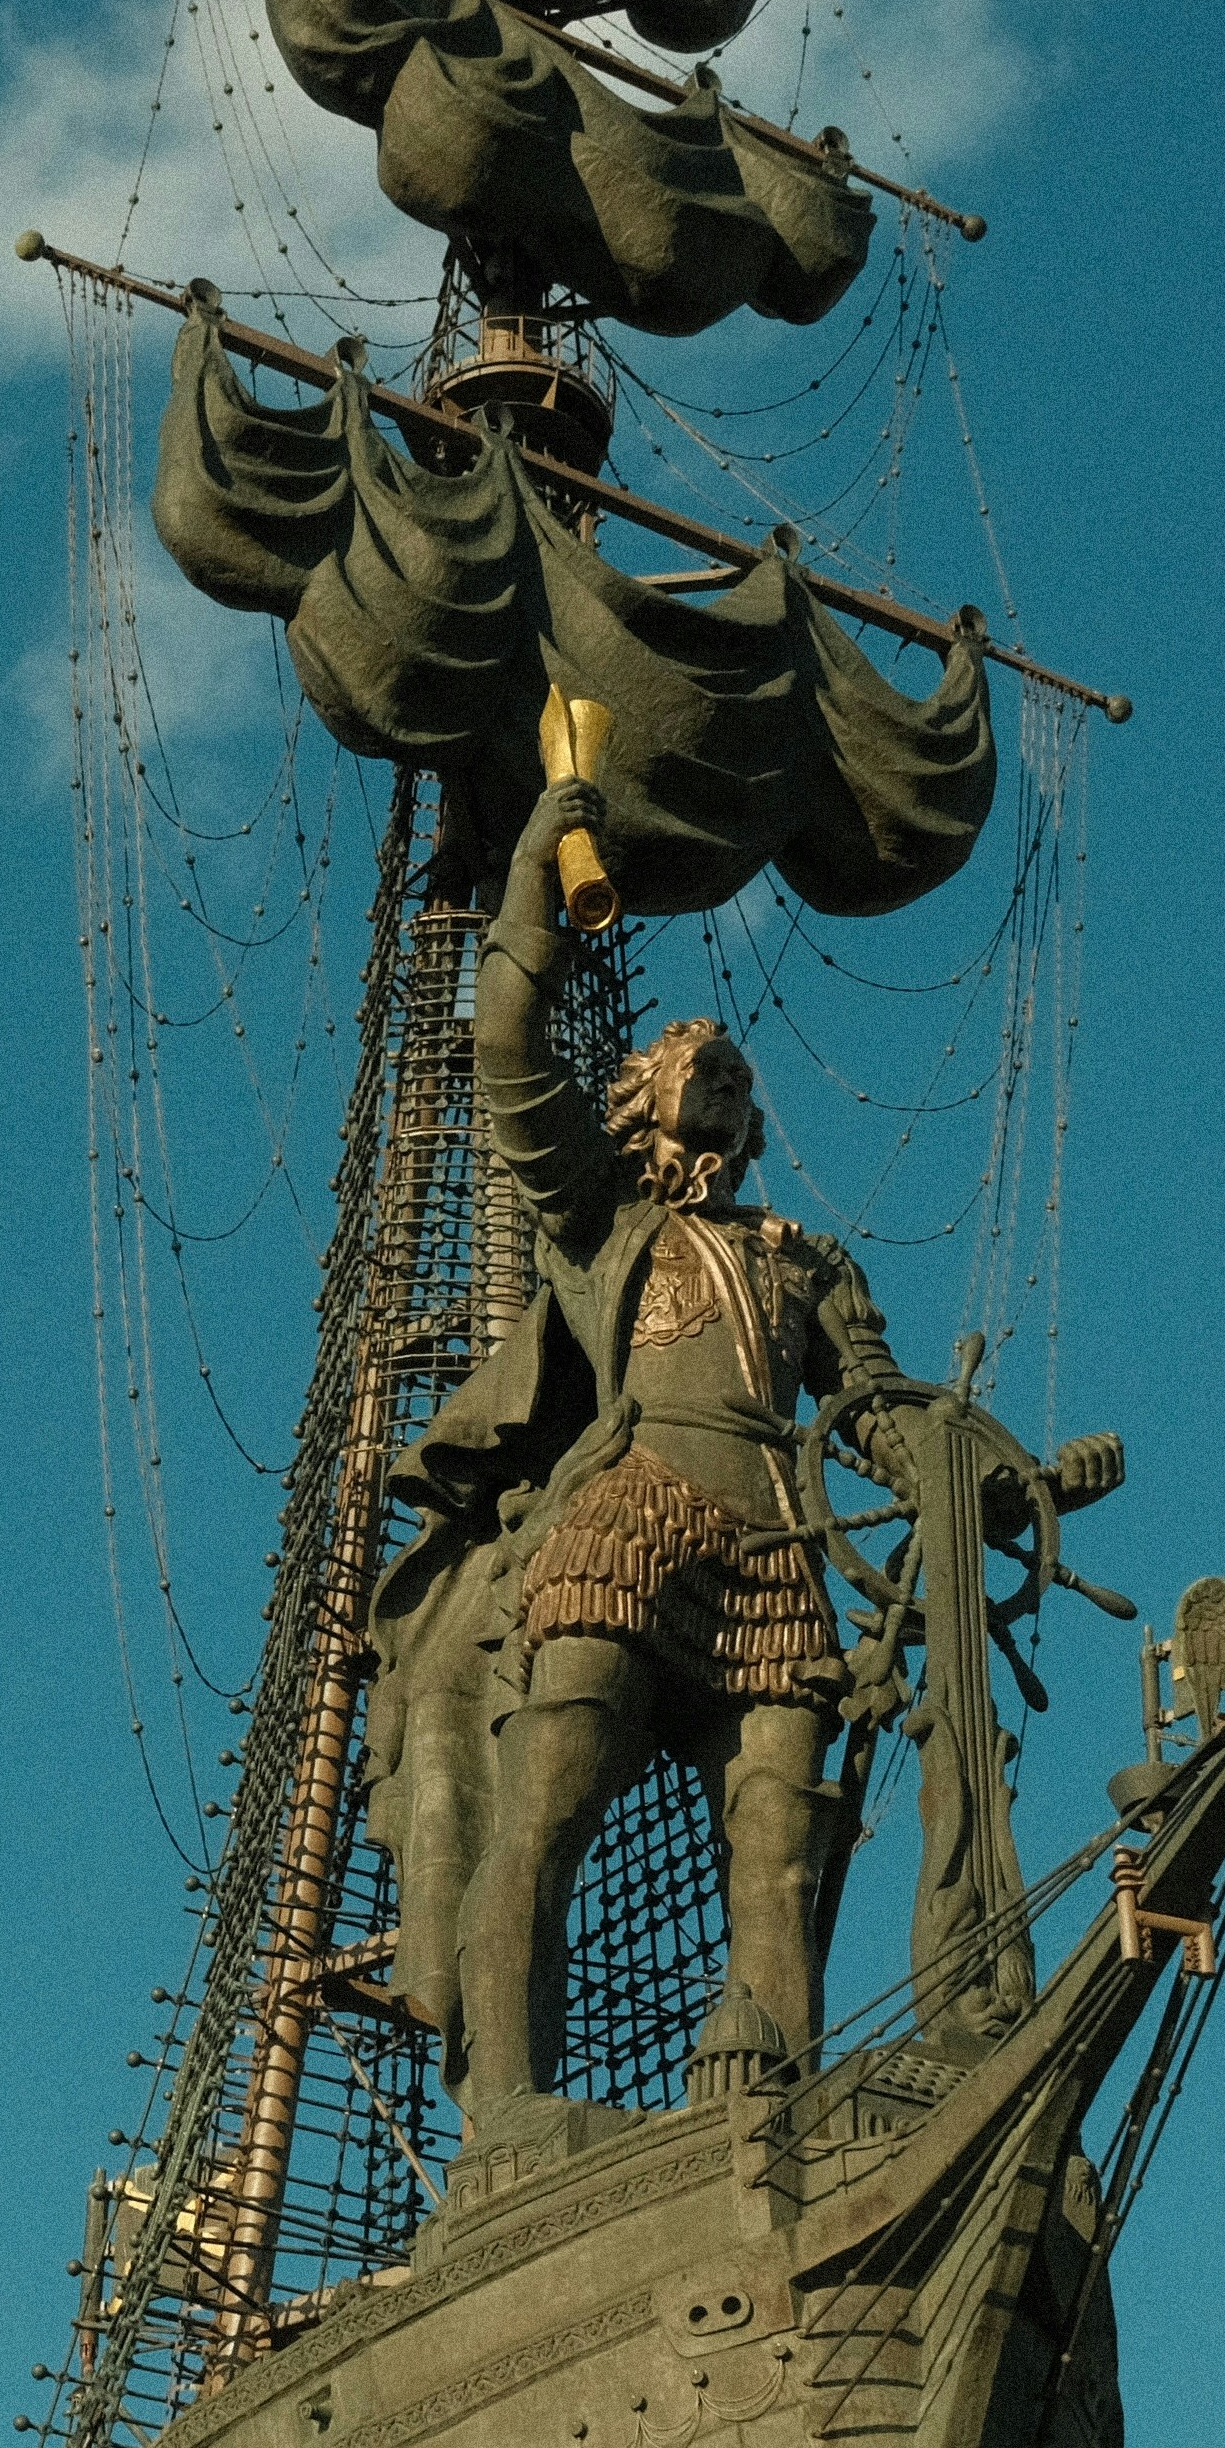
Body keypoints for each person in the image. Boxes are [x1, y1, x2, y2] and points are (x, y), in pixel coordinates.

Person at [419, 774, 926, 2122]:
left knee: (776, 1857)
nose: (729, 1073)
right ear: (646, 1101)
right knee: (551, 1812)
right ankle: (511, 2116)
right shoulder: (599, 1214)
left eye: (739, 1073)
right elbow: (512, 1050)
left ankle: (768, 2100)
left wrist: (975, 1468)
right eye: (702, 1059)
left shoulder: (805, 1260)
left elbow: (872, 1410)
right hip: (631, 1521)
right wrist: (536, 868)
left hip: (775, 1554)